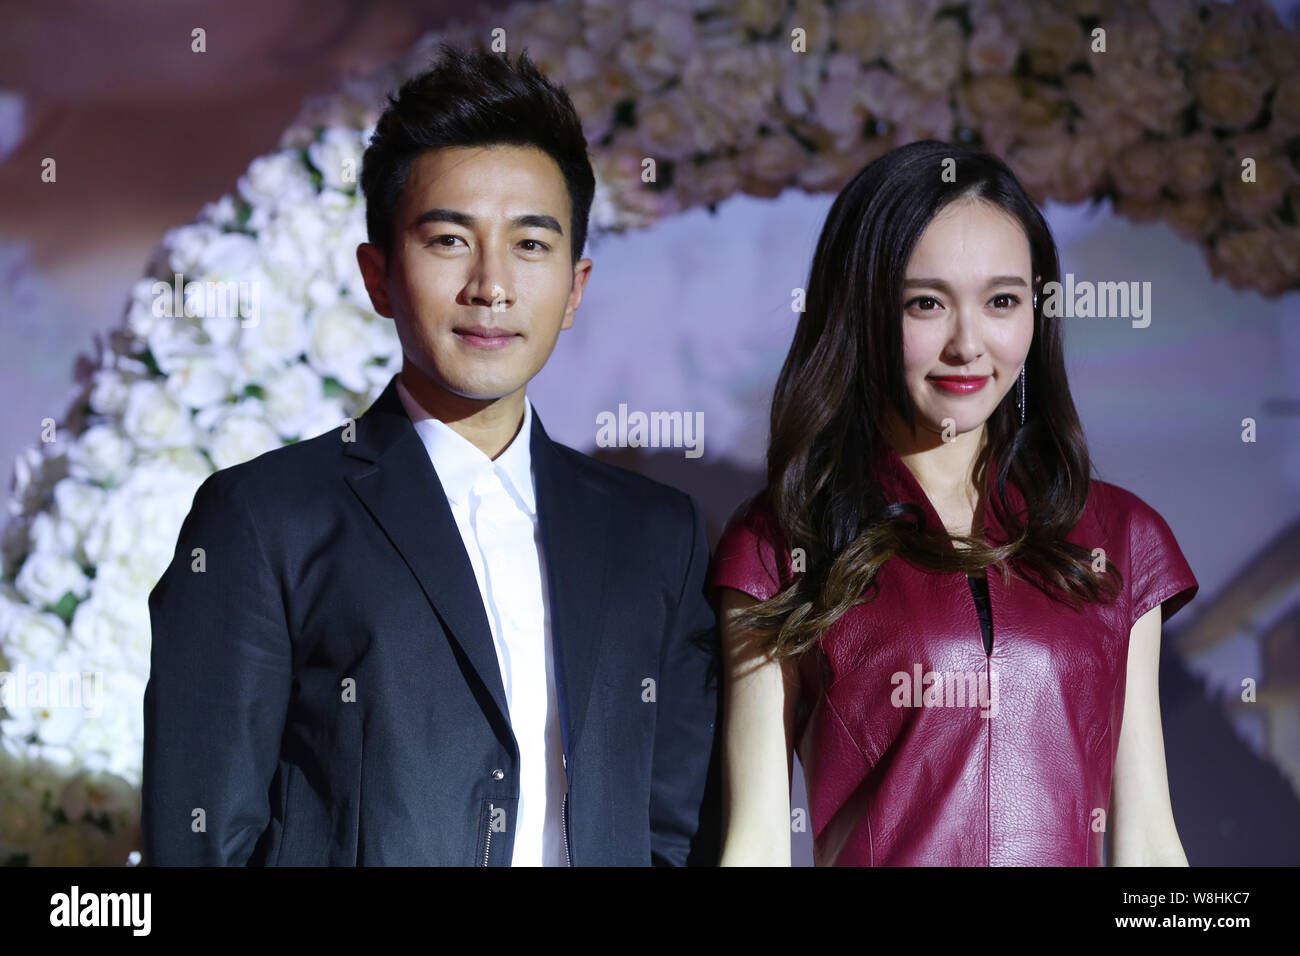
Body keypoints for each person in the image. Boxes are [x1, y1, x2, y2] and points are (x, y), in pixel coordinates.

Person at [142, 44, 721, 866]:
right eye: (449, 240)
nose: (492, 284)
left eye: (530, 245)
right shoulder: (264, 519)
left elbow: (675, 831)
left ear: (576, 287)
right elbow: (200, 845)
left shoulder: (657, 535)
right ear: (378, 276)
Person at [710, 139, 1198, 866]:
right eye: (926, 303)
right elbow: (753, 843)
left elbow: (1150, 841)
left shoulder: (1122, 537)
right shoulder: (780, 543)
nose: (968, 343)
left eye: (1002, 301)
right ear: (861, 312)